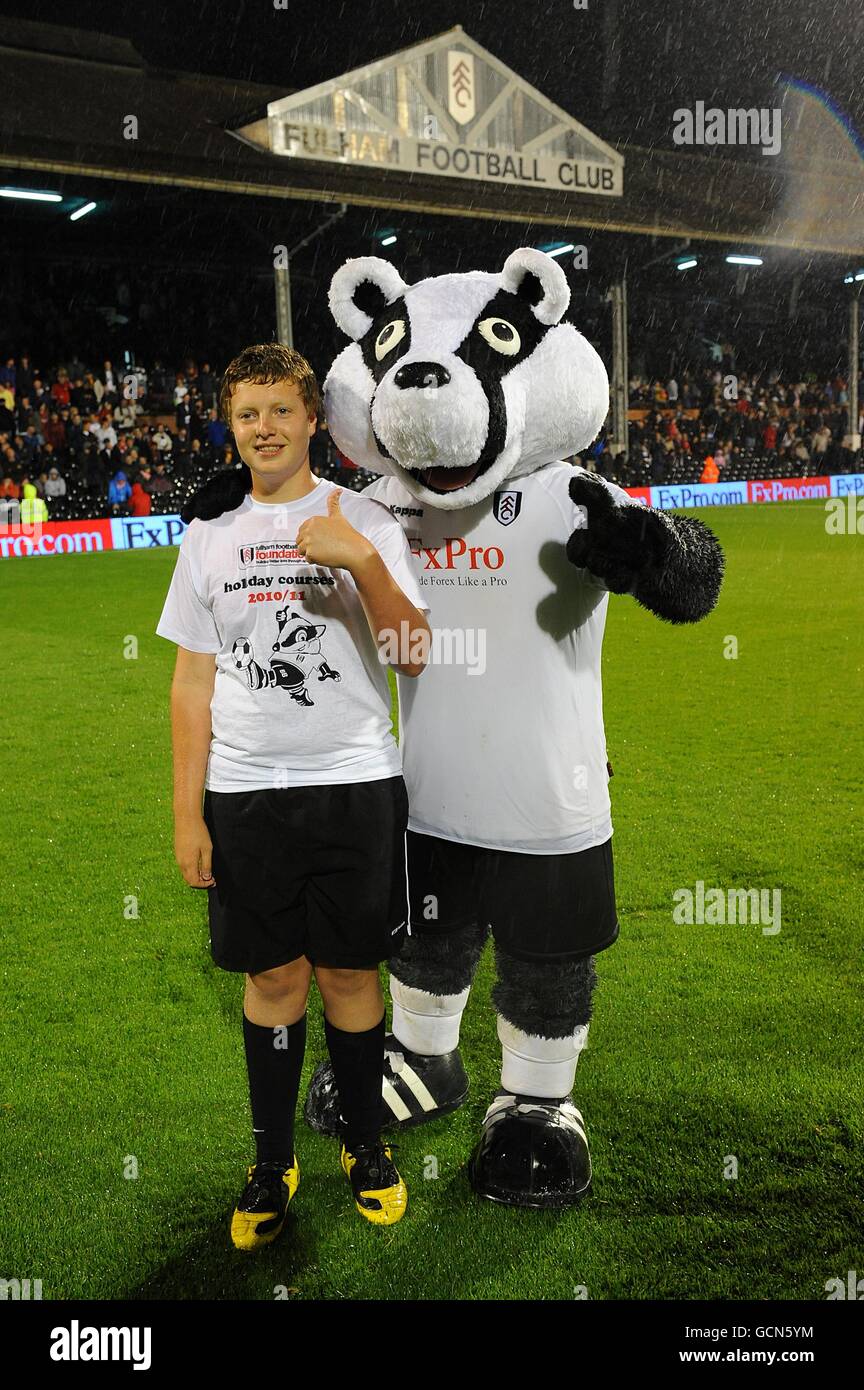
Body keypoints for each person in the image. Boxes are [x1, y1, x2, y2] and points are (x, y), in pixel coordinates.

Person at [155, 342, 431, 1251]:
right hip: (247, 797)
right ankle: (272, 1160)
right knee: (273, 977)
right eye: (247, 414)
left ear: (314, 419)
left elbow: (412, 653)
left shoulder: (364, 519)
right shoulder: (209, 535)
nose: (264, 429)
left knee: (352, 973)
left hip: (354, 785)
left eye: (281, 410)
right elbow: (191, 685)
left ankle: (364, 1141)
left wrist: (360, 561)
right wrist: (188, 813)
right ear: (230, 427)